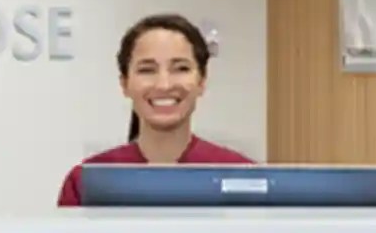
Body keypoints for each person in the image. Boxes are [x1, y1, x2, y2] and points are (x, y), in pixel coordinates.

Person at [57, 13, 255, 206]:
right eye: (147, 70)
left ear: (202, 81)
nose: (163, 85)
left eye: (181, 68)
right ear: (125, 83)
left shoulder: (243, 176)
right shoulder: (87, 183)